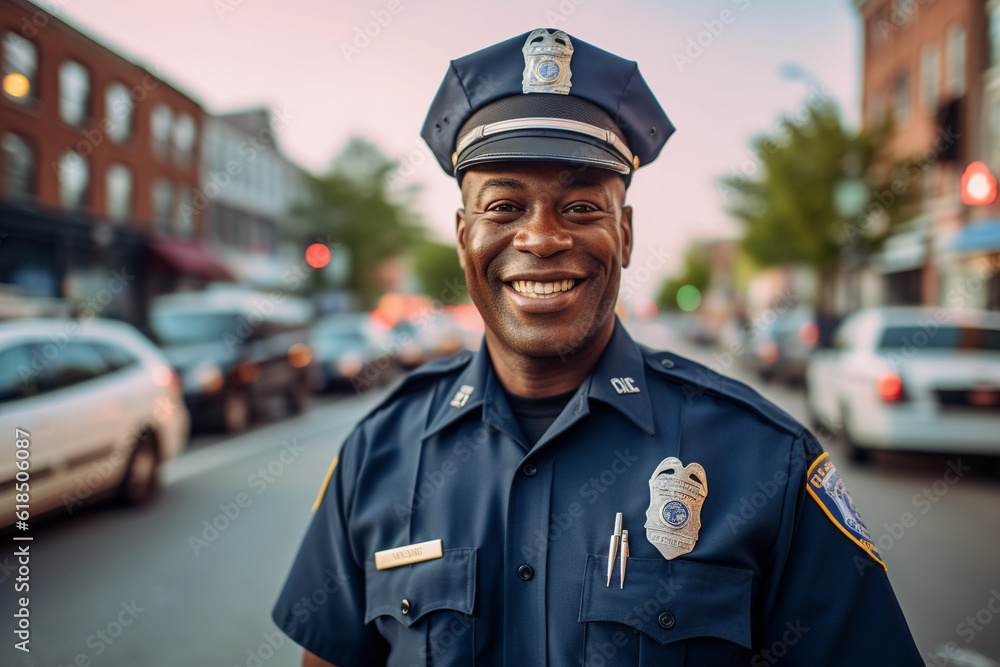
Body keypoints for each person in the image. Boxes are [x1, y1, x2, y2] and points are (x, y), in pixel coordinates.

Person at [272, 28, 923, 667]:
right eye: (504, 207)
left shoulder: (763, 460)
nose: (542, 237)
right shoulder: (376, 455)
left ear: (628, 233)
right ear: (464, 236)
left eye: (581, 206)